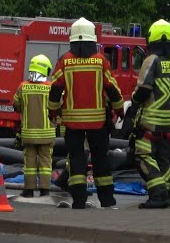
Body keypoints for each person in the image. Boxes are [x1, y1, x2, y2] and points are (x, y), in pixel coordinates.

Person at [49, 17, 124, 209]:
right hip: (98, 122)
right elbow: (112, 89)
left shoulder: (64, 61)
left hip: (72, 122)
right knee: (101, 159)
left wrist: (53, 111)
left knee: (76, 159)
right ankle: (107, 200)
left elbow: (55, 89)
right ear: (93, 39)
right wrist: (119, 109)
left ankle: (79, 200)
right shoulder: (101, 61)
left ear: (72, 39)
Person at [125, 19, 170, 209]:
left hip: (148, 121)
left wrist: (134, 101)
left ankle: (158, 194)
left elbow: (143, 88)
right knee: (163, 158)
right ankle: (166, 194)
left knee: (142, 156)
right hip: (167, 122)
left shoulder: (151, 60)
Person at [13, 54, 57, 198]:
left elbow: (16, 105)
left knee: (29, 163)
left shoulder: (23, 87)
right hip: (47, 134)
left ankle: (28, 190)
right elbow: (59, 106)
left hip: (28, 133)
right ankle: (45, 190)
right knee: (45, 162)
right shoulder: (51, 87)